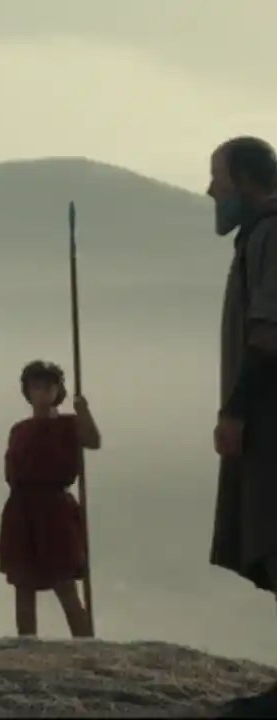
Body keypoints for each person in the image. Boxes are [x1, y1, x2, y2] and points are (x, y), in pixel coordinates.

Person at [207, 136, 277, 717]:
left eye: (219, 181)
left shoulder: (273, 234)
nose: (211, 191)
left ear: (247, 180)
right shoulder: (256, 237)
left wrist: (235, 411)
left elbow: (266, 335)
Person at [0, 360, 99, 638]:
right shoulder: (19, 429)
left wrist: (83, 410)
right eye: (35, 387)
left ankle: (86, 644)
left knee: (64, 582)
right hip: (22, 509)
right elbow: (11, 470)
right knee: (23, 584)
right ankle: (26, 643)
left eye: (47, 387)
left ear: (57, 391)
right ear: (27, 392)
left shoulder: (69, 424)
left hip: (54, 509)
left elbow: (93, 440)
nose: (41, 393)